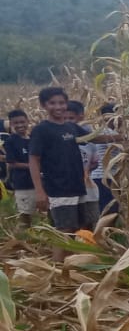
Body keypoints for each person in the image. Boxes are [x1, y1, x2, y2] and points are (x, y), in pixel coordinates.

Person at [29, 88, 99, 251]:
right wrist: (39, 191)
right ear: (43, 105)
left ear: (66, 104)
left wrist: (123, 137)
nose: (58, 107)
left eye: (61, 103)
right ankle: (59, 269)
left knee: (81, 229)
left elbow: (93, 137)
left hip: (78, 187)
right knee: (64, 231)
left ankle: (74, 265)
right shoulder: (42, 130)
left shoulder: (71, 127)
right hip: (58, 189)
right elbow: (34, 159)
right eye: (52, 103)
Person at [4, 109, 34, 226]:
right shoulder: (11, 141)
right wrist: (32, 166)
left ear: (28, 121)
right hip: (23, 183)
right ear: (11, 124)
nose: (20, 125)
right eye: (16, 123)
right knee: (25, 215)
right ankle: (23, 239)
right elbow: (11, 163)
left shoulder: (33, 139)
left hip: (38, 182)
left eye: (22, 122)